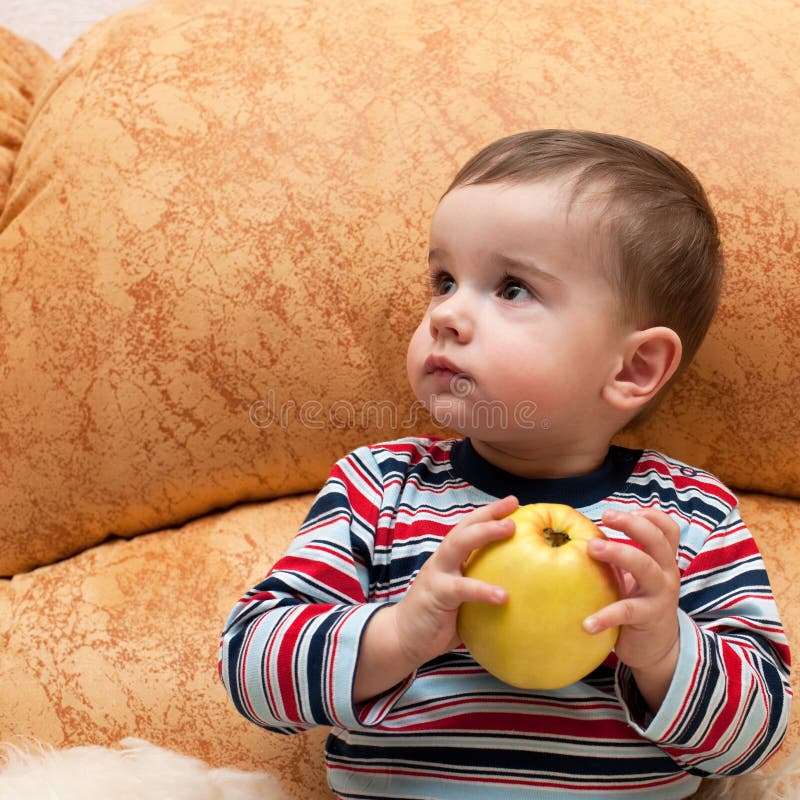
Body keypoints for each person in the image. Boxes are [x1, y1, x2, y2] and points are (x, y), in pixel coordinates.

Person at [219, 130, 791, 799]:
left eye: (512, 288)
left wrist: (665, 652)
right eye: (443, 280)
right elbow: (250, 670)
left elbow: (755, 741)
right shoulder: (378, 486)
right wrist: (398, 634)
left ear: (633, 368)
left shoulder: (687, 516)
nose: (447, 315)